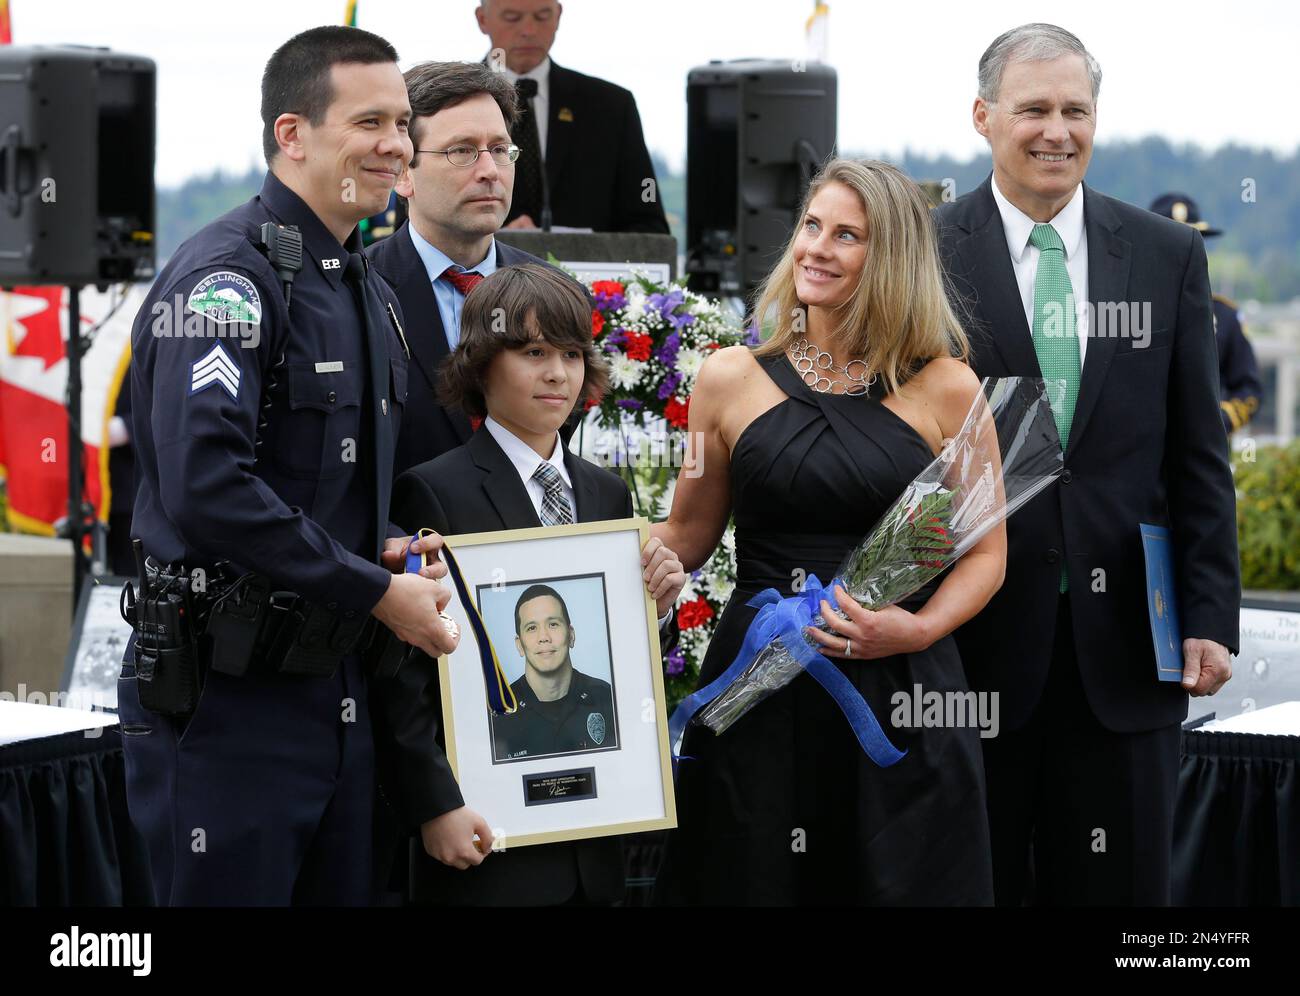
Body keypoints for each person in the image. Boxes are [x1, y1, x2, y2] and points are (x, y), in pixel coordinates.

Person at [117, 25, 458, 906]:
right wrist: (374, 589)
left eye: (403, 122)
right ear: (292, 134)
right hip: (229, 704)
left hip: (336, 691)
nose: (396, 144)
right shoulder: (229, 279)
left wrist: (378, 549)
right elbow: (207, 487)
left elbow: (327, 492)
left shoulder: (359, 282)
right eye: (370, 121)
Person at [933, 23, 1240, 905]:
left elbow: (1198, 458)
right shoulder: (921, 249)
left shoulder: (1166, 254)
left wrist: (1209, 615)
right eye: (1033, 109)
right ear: (984, 116)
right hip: (970, 648)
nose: (1056, 130)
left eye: (1076, 109)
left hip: (1130, 654)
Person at [652, 158, 1006, 905]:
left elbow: (986, 555)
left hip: (900, 687)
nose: (817, 247)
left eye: (847, 235)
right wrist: (557, 553)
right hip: (758, 687)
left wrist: (915, 629)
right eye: (812, 225)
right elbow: (685, 534)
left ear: (892, 260)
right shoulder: (724, 377)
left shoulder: (948, 385)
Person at [377, 262, 685, 906]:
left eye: (572, 354)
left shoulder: (605, 492)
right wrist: (435, 805)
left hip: (595, 834)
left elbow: (621, 657)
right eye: (534, 352)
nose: (557, 374)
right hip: (487, 837)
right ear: (481, 364)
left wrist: (655, 610)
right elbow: (402, 671)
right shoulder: (434, 489)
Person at [367, 60, 559, 475]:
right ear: (403, 173)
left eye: (500, 150)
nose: (490, 171)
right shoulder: (357, 289)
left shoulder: (559, 293)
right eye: (462, 151)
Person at [475, 0, 669, 233]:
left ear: (558, 16)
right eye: (512, 18)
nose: (529, 31)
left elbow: (647, 217)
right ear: (482, 20)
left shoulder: (611, 106)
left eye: (542, 16)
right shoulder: (449, 103)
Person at [1148, 192, 1262, 433]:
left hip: (1205, 455)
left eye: (1190, 242)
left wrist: (1219, 419)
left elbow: (1249, 390)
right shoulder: (1126, 310)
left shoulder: (1226, 317)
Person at [492, 583, 619, 759]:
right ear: (519, 645)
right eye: (532, 628)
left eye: (553, 624)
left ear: (571, 635)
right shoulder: (498, 713)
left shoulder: (608, 698)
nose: (544, 637)